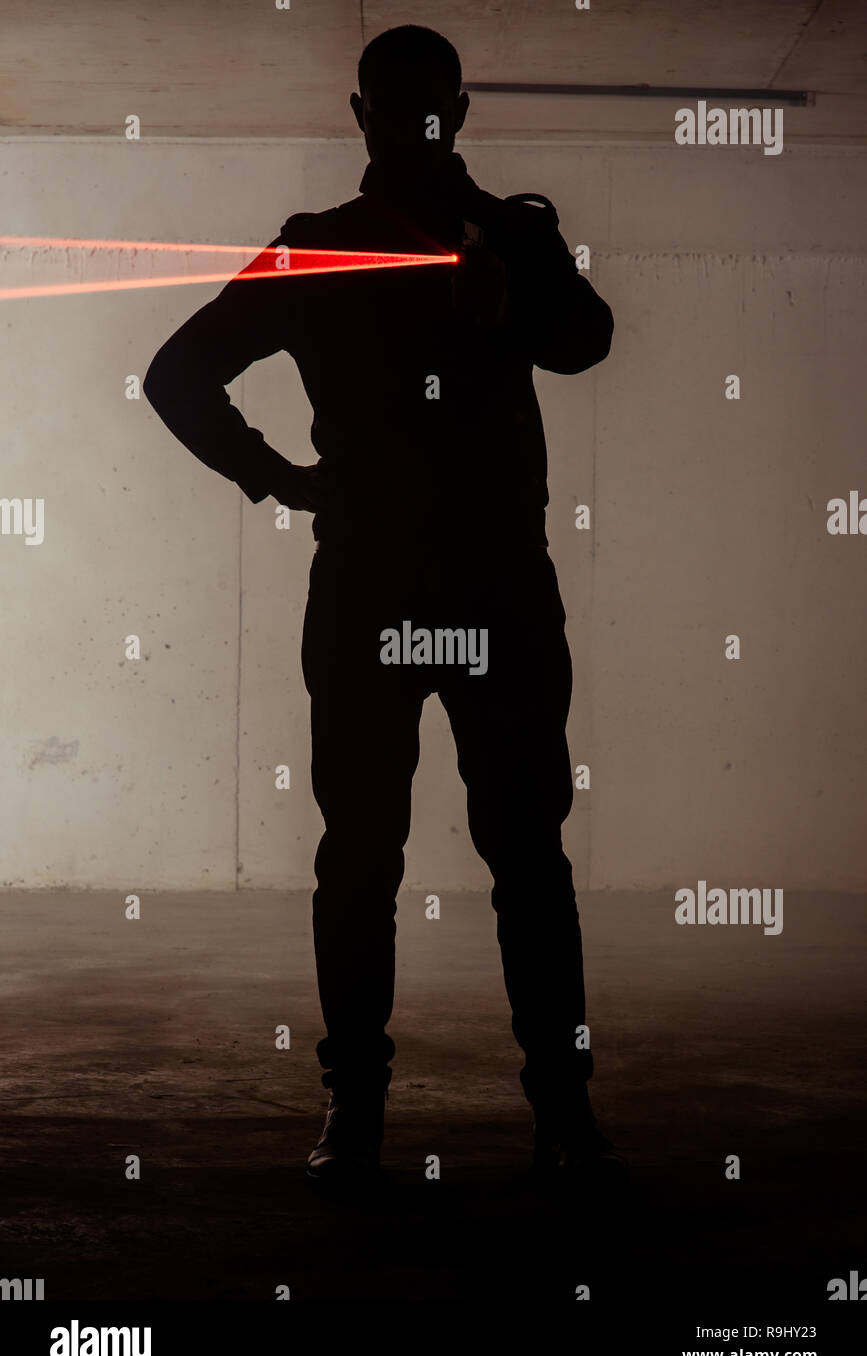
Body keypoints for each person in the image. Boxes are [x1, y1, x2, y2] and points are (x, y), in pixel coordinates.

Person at [143, 24, 626, 1188]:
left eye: (413, 112)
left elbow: (586, 342)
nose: (412, 128)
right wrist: (281, 475)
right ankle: (540, 1119)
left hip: (394, 585)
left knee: (384, 858)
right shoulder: (455, 234)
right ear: (440, 113)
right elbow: (177, 376)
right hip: (465, 586)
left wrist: (282, 478)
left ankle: (370, 1120)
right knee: (502, 860)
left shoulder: (476, 234)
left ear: (389, 115)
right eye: (408, 111)